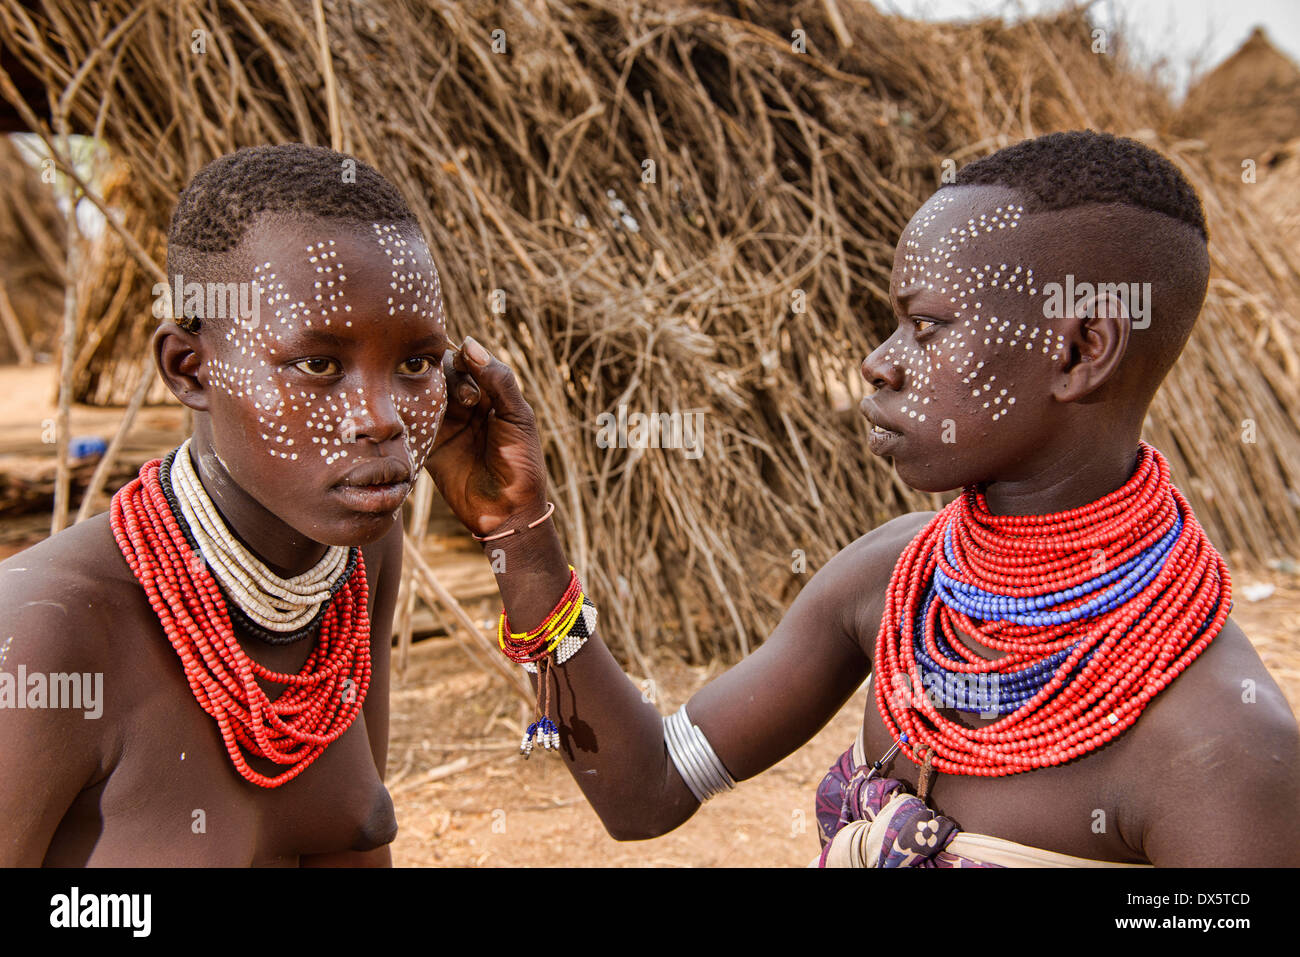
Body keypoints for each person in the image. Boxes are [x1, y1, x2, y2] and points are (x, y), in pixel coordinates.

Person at [468, 130, 1300, 866]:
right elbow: (645, 790)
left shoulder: (1219, 747)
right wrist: (522, 538)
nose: (879, 361)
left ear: (1080, 349)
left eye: (927, 326)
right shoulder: (896, 581)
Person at [0, 143, 541, 865]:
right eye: (319, 364)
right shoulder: (47, 635)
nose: (379, 416)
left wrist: (524, 538)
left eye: (414, 364)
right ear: (189, 369)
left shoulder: (355, 560)